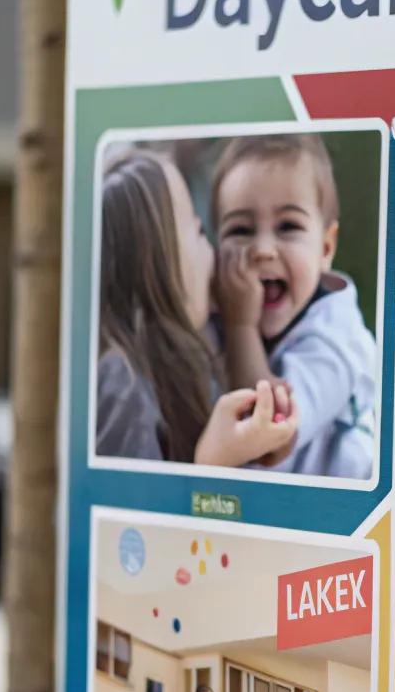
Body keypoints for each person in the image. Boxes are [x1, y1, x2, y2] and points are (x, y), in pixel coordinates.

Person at [96, 148, 298, 467]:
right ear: (163, 264)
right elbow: (131, 512)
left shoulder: (193, 356)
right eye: (200, 231)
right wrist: (213, 464)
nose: (216, 252)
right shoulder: (123, 384)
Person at [211, 132, 376, 479]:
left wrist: (240, 326)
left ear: (326, 249)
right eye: (240, 229)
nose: (263, 249)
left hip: (337, 520)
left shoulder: (339, 337)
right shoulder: (222, 307)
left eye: (288, 226)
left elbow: (270, 435)